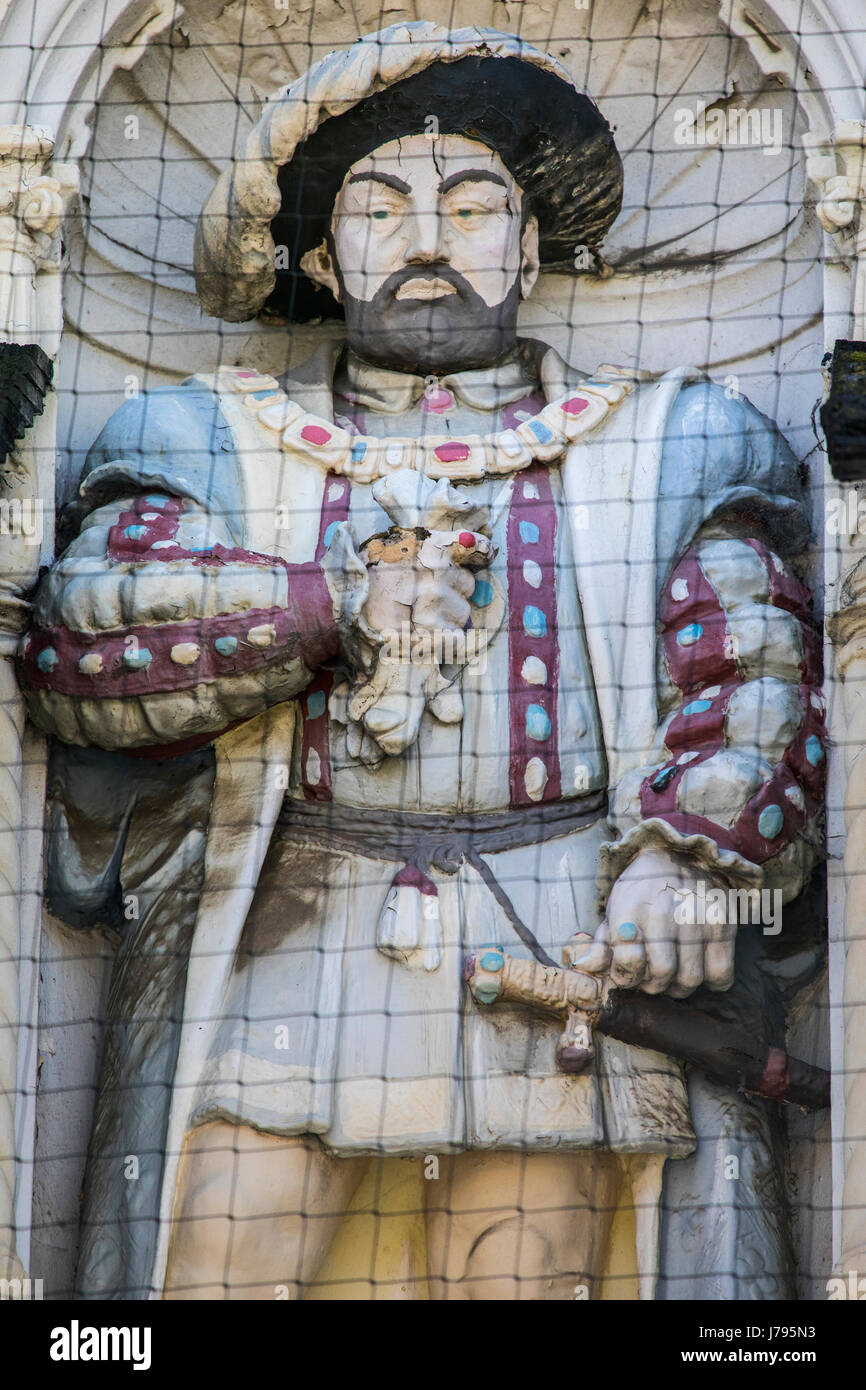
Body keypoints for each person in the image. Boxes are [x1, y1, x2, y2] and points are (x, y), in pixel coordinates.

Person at [22, 23, 824, 1299]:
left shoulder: (673, 439)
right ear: (323, 258)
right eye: (380, 206)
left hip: (567, 933)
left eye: (471, 203)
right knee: (195, 1273)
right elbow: (84, 636)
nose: (427, 237)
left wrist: (689, 859)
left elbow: (756, 674)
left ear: (533, 245)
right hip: (286, 932)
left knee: (524, 1281)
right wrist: (323, 606)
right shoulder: (203, 434)